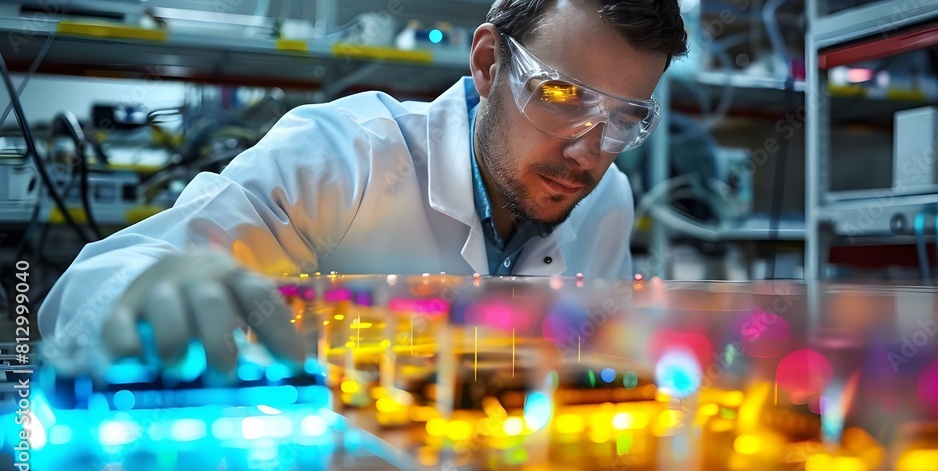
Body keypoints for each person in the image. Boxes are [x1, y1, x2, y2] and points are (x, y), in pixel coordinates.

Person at [38, 0, 688, 376]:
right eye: (558, 95)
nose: (586, 152)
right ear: (489, 63)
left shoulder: (607, 199)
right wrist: (151, 297)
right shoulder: (342, 156)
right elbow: (92, 289)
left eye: (623, 118)